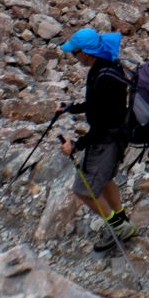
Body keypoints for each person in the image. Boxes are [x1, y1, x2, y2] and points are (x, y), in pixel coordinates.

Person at [58, 27, 133, 251]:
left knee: (83, 190)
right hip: (116, 137)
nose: (74, 57)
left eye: (75, 53)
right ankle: (122, 219)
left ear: (87, 52)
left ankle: (118, 228)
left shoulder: (103, 76)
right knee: (106, 179)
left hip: (106, 141)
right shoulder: (105, 68)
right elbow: (97, 105)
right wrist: (71, 108)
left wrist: (76, 145)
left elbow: (101, 124)